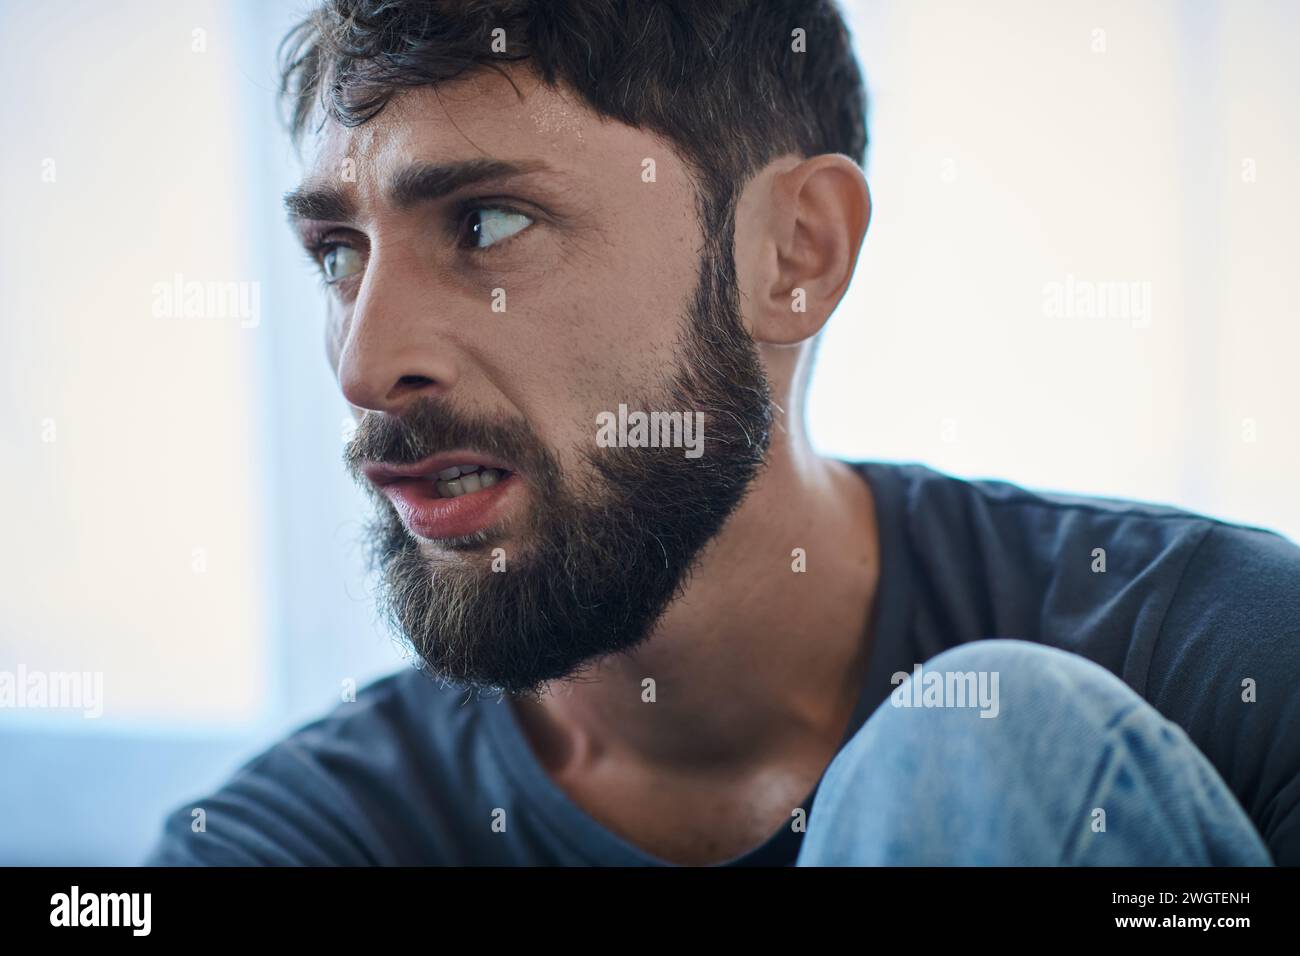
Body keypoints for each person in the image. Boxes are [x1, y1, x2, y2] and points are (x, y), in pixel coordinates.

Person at [145, 0, 1299, 866]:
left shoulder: (1220, 660)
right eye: (337, 252)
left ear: (794, 251)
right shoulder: (293, 844)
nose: (362, 365)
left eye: (488, 223)